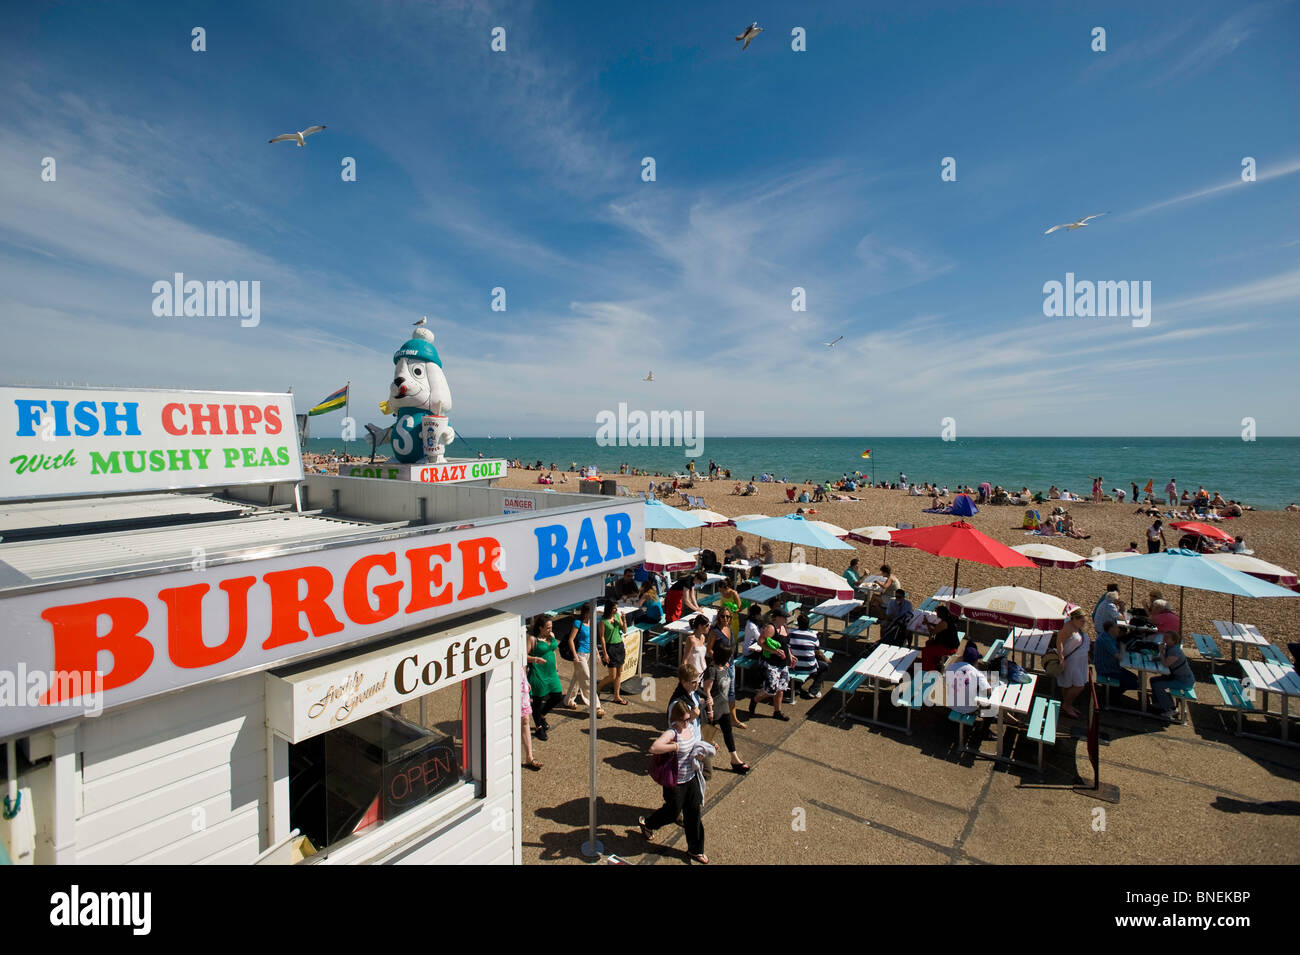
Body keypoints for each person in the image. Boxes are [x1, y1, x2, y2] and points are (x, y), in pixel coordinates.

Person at [640, 700, 714, 864]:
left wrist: (704, 751)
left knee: (694, 813)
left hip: (691, 777)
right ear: (676, 719)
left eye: (689, 719)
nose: (688, 722)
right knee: (672, 812)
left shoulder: (692, 728)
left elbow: (696, 746)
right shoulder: (672, 732)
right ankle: (648, 824)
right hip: (675, 781)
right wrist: (674, 747)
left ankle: (696, 850)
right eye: (684, 720)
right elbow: (654, 747)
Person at [701, 646, 749, 773]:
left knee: (728, 733)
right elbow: (707, 690)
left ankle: (735, 759)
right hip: (713, 709)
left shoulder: (724, 667)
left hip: (724, 707)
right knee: (705, 737)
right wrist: (710, 710)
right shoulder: (712, 670)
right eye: (729, 655)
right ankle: (700, 762)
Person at [562, 605, 606, 718]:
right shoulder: (578, 623)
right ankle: (596, 706)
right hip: (580, 654)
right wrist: (574, 655)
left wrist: (596, 653)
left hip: (589, 654)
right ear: (586, 612)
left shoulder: (592, 622)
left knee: (577, 677)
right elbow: (571, 640)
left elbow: (592, 639)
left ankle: (568, 700)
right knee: (587, 679)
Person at [748, 609, 792, 720]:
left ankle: (777, 711)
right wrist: (774, 651)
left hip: (783, 663)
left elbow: (785, 645)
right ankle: (755, 699)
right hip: (772, 664)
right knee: (770, 689)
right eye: (784, 617)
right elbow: (760, 642)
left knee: (781, 688)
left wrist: (791, 656)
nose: (786, 619)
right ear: (777, 617)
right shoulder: (770, 628)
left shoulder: (783, 628)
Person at [526, 617, 564, 741]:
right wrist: (536, 659)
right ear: (540, 627)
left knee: (557, 696)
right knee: (538, 700)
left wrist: (556, 666)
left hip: (551, 672)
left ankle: (542, 715)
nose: (550, 629)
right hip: (538, 673)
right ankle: (538, 727)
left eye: (551, 627)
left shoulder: (551, 636)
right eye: (547, 627)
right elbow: (524, 656)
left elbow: (552, 651)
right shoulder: (533, 639)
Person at [1091, 592, 1138, 692]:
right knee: (1135, 682)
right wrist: (1123, 646)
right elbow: (1123, 618)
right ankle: (1113, 695)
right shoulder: (1110, 606)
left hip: (1106, 665)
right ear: (1111, 629)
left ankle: (1113, 692)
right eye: (1117, 628)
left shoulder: (1104, 603)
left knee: (1134, 679)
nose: (1119, 630)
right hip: (1107, 669)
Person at [706, 607, 745, 728]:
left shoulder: (729, 628)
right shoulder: (714, 631)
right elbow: (709, 650)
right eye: (723, 616)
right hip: (720, 667)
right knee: (719, 692)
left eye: (727, 617)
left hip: (731, 664)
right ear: (719, 617)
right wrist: (720, 662)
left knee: (731, 692)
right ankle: (713, 717)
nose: (725, 619)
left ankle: (733, 719)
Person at [1150, 630, 1195, 720]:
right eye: (1164, 637)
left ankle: (1170, 709)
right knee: (1153, 680)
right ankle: (1160, 702)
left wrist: (1161, 652)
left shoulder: (1175, 651)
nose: (1164, 639)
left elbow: (1166, 664)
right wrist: (1157, 658)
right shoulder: (1169, 647)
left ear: (1173, 641)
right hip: (1175, 677)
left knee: (1158, 685)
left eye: (1167, 638)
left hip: (1184, 681)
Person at [1056, 608, 1091, 719]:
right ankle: (1066, 705)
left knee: (1069, 684)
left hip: (1080, 661)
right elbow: (1059, 642)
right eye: (1082, 621)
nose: (1083, 624)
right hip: (1071, 661)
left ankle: (1067, 705)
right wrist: (1061, 658)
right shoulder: (1067, 627)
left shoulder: (1077, 627)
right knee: (1078, 685)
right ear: (1074, 619)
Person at [788, 613, 830, 697]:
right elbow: (818, 652)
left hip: (794, 666)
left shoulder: (790, 634)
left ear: (798, 623)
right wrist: (826, 659)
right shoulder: (813, 636)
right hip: (809, 667)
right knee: (825, 667)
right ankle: (814, 690)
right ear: (808, 624)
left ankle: (797, 686)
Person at [944, 644, 991, 715]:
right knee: (990, 705)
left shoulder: (951, 667)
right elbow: (988, 692)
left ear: (963, 657)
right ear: (975, 661)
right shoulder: (977, 673)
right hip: (969, 709)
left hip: (951, 705)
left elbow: (946, 682)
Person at [599, 599, 629, 706]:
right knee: (612, 676)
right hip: (610, 647)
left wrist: (624, 619)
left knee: (619, 673)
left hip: (619, 646)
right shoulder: (603, 621)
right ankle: (598, 687)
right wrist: (605, 653)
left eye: (616, 608)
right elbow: (602, 638)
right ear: (609, 609)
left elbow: (624, 630)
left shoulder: (617, 616)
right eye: (614, 608)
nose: (616, 610)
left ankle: (617, 696)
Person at [920, 605, 961, 671]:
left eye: (937, 613)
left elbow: (932, 632)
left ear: (940, 614)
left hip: (949, 648)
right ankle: (935, 663)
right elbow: (938, 627)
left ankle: (928, 669)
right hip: (949, 644)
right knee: (928, 643)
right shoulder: (948, 620)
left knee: (926, 651)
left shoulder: (944, 623)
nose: (936, 614)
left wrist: (927, 624)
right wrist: (929, 623)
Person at [520, 667, 542, 771]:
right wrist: (535, 659)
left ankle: (529, 757)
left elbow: (522, 659)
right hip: (505, 680)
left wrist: (525, 679)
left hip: (520, 679)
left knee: (525, 719)